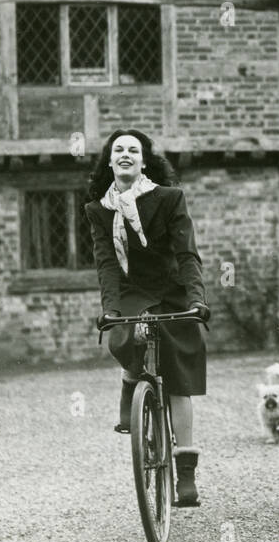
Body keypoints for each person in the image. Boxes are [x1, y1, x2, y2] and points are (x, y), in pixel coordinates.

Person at [84, 128, 210, 508]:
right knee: (124, 334)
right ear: (109, 161)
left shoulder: (169, 199)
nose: (125, 154)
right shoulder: (98, 209)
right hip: (131, 291)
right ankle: (130, 383)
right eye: (118, 149)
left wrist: (196, 298)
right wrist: (110, 308)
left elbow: (187, 254)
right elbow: (106, 263)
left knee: (178, 375)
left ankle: (185, 471)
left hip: (171, 289)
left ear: (143, 161)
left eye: (133, 150)